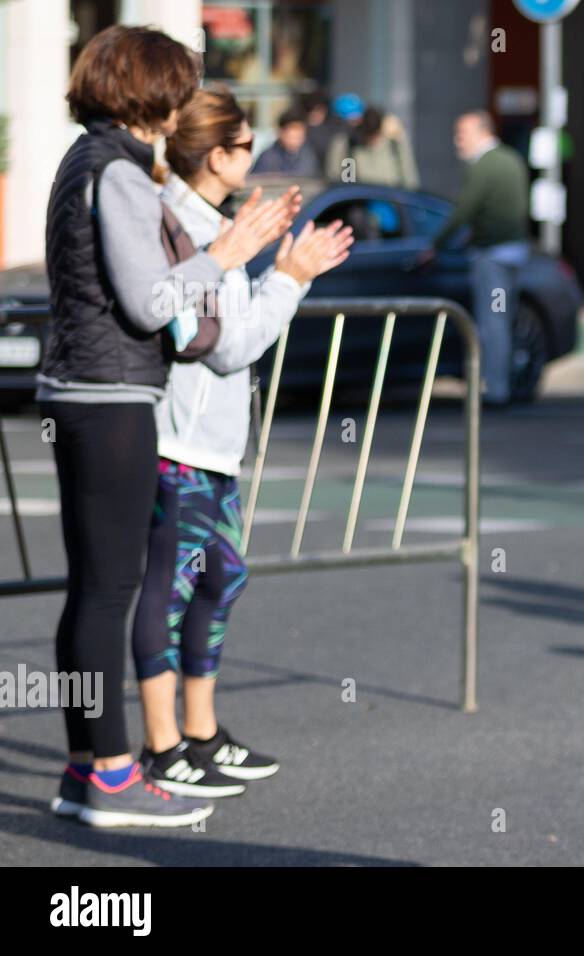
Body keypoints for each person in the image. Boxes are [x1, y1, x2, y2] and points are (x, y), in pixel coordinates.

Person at [40, 26, 298, 827]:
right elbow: (149, 299)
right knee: (110, 591)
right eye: (179, 84)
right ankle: (114, 776)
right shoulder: (114, 171)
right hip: (108, 396)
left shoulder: (88, 160)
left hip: (86, 392)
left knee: (93, 591)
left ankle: (89, 770)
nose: (186, 98)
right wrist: (230, 254)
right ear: (147, 90)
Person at [129, 86, 353, 797]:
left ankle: (201, 734)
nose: (256, 156)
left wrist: (282, 269)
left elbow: (236, 329)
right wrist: (290, 278)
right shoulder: (186, 230)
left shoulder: (211, 221)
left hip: (212, 447)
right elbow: (228, 349)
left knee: (221, 578)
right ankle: (163, 748)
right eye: (246, 144)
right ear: (216, 154)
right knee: (170, 594)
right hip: (182, 447)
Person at [421, 110, 531, 406]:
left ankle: (496, 389)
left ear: (483, 132)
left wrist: (437, 245)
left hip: (493, 254)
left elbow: (464, 211)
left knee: (491, 323)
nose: (458, 141)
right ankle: (505, 382)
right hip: (514, 250)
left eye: (462, 134)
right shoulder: (512, 160)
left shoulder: (483, 166)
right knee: (503, 320)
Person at [323, 105, 419, 189]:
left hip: (390, 201)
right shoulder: (350, 146)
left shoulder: (393, 144)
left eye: (375, 135)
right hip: (359, 202)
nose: (372, 140)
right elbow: (337, 178)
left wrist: (401, 139)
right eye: (367, 134)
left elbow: (409, 178)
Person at [251, 106, 320, 178]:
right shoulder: (268, 158)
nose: (296, 138)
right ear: (281, 132)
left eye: (299, 134)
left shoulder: (308, 155)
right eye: (292, 135)